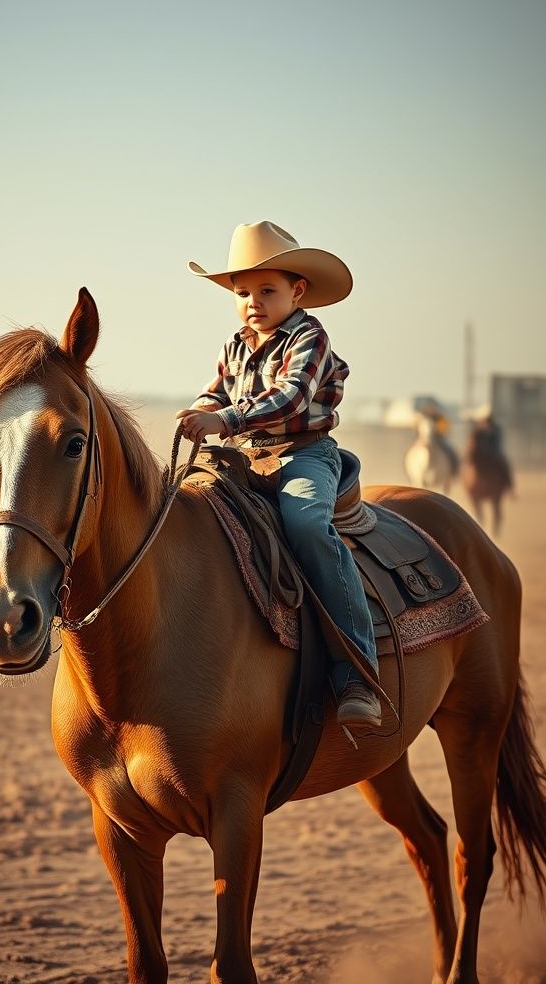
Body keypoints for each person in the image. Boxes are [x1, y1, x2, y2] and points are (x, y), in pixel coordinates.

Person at [174, 221, 380, 732]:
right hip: (246, 458)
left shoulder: (310, 337)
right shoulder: (234, 345)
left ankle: (358, 671)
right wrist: (199, 412)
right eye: (242, 292)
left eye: (267, 290)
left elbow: (292, 397)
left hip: (303, 455)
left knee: (307, 525)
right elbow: (215, 391)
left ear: (297, 291)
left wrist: (224, 421)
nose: (253, 302)